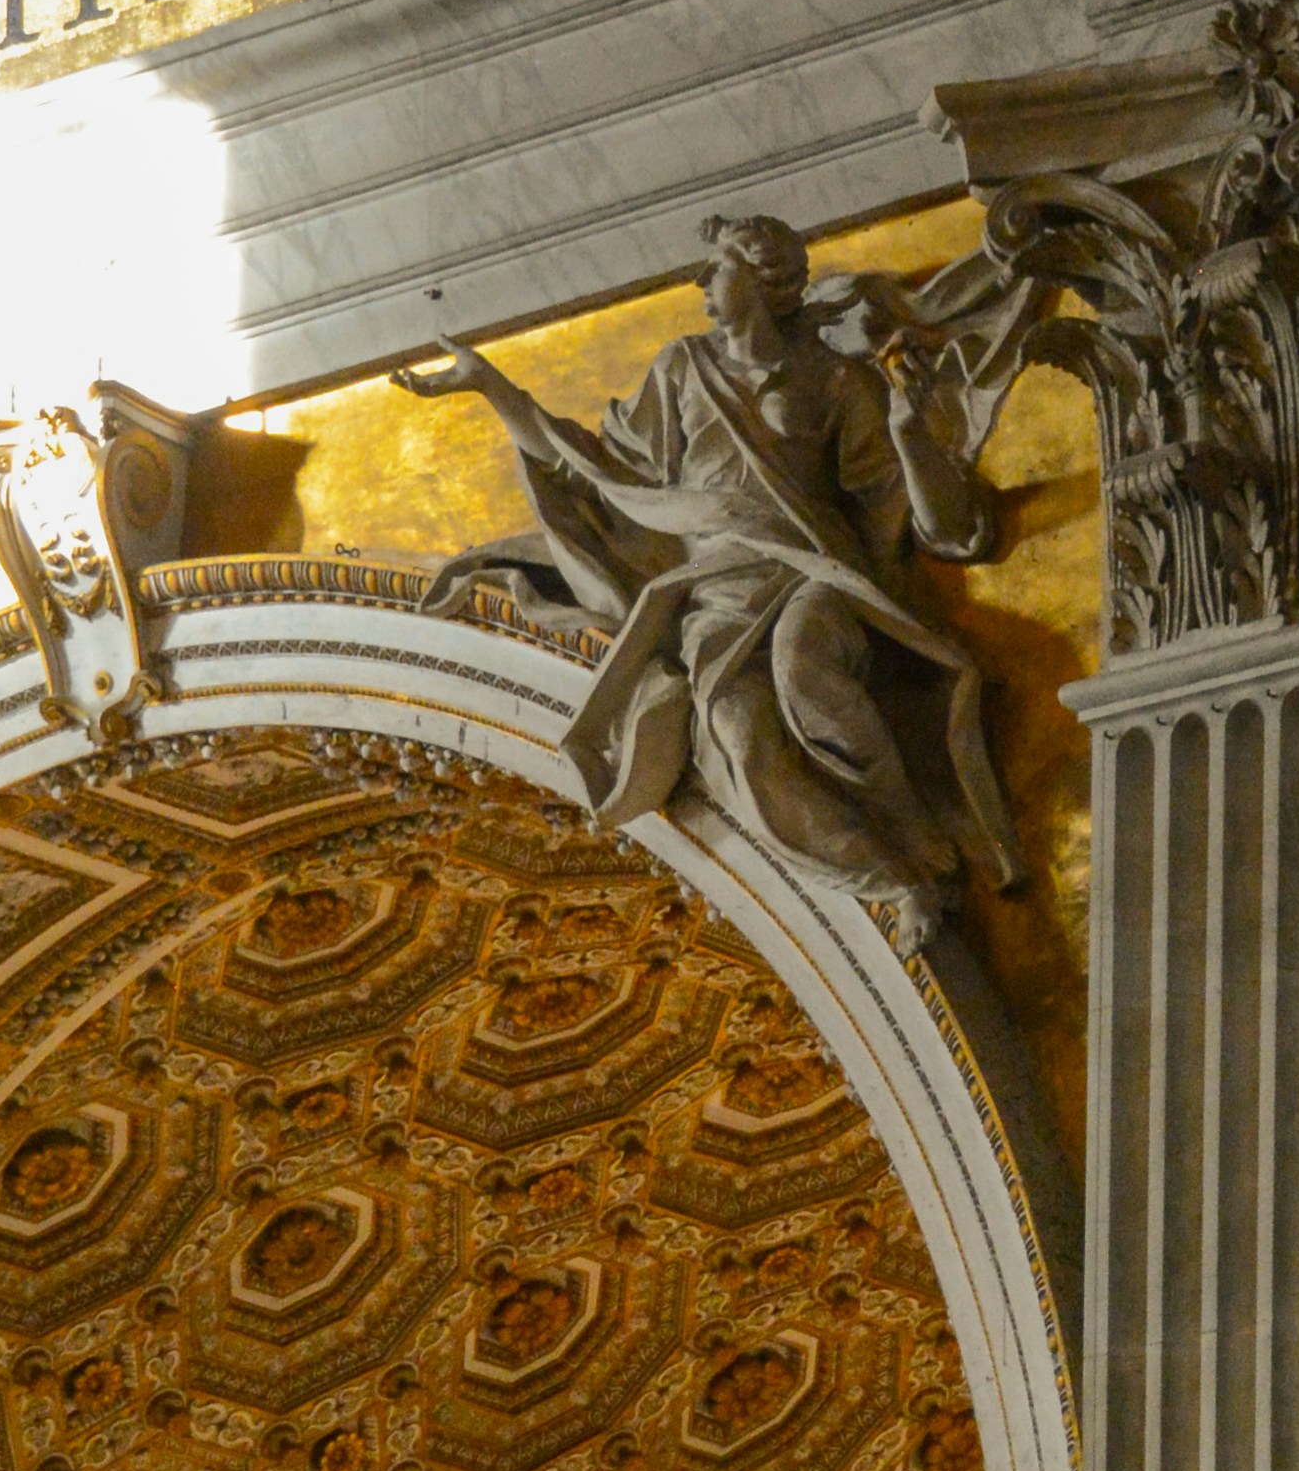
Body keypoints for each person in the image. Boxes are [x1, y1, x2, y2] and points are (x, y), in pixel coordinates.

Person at [404, 212, 1032, 951]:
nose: (700, 283)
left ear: (764, 278)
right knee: (738, 734)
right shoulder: (681, 371)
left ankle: (912, 831)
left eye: (716, 268)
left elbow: (914, 514)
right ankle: (892, 876)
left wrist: (906, 432)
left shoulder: (836, 380)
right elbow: (594, 464)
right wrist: (490, 386)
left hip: (811, 572)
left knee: (806, 671)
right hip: (719, 589)